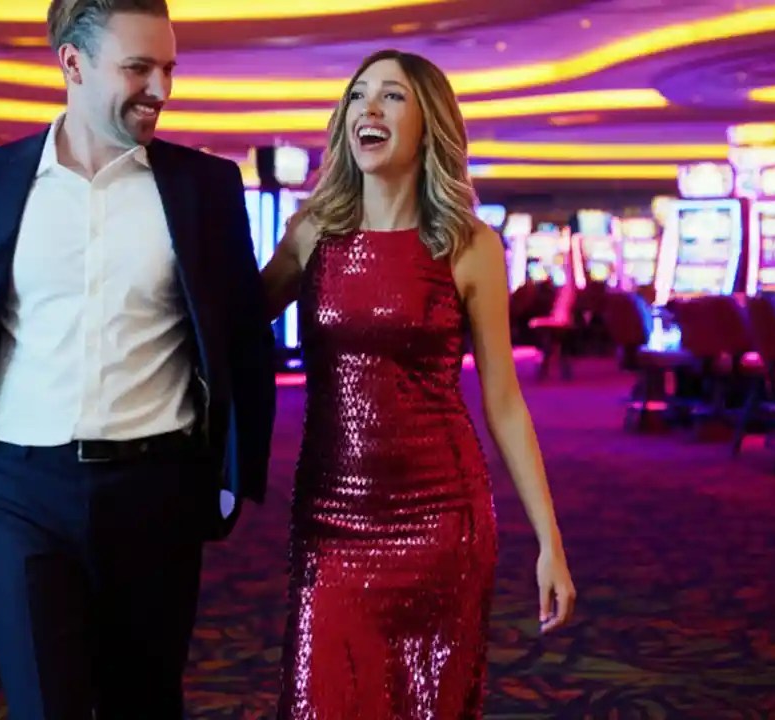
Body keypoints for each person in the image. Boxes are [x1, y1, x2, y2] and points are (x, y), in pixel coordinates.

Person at [0, 0, 277, 716]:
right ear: (73, 62)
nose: (161, 88)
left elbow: (242, 336)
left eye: (169, 68)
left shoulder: (204, 188)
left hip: (157, 488)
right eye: (138, 67)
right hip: (18, 491)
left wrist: (231, 478)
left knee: (144, 704)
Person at [261, 49, 577, 718]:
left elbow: (504, 402)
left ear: (428, 124)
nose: (369, 108)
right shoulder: (313, 233)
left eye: (393, 97)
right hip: (330, 519)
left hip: (441, 521)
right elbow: (224, 321)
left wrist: (549, 541)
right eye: (359, 95)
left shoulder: (467, 245)